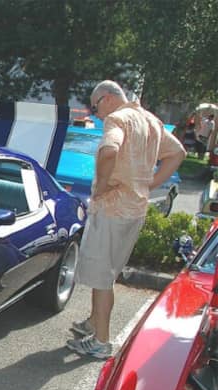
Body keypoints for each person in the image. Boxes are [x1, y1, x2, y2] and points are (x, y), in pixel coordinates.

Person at [67, 80, 185, 358]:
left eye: (96, 107)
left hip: (112, 209)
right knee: (108, 271)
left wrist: (104, 185)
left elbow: (110, 151)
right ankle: (94, 323)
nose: (97, 114)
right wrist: (150, 184)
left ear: (107, 99)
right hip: (134, 210)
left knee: (101, 277)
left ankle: (102, 341)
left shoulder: (117, 120)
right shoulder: (150, 120)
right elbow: (178, 152)